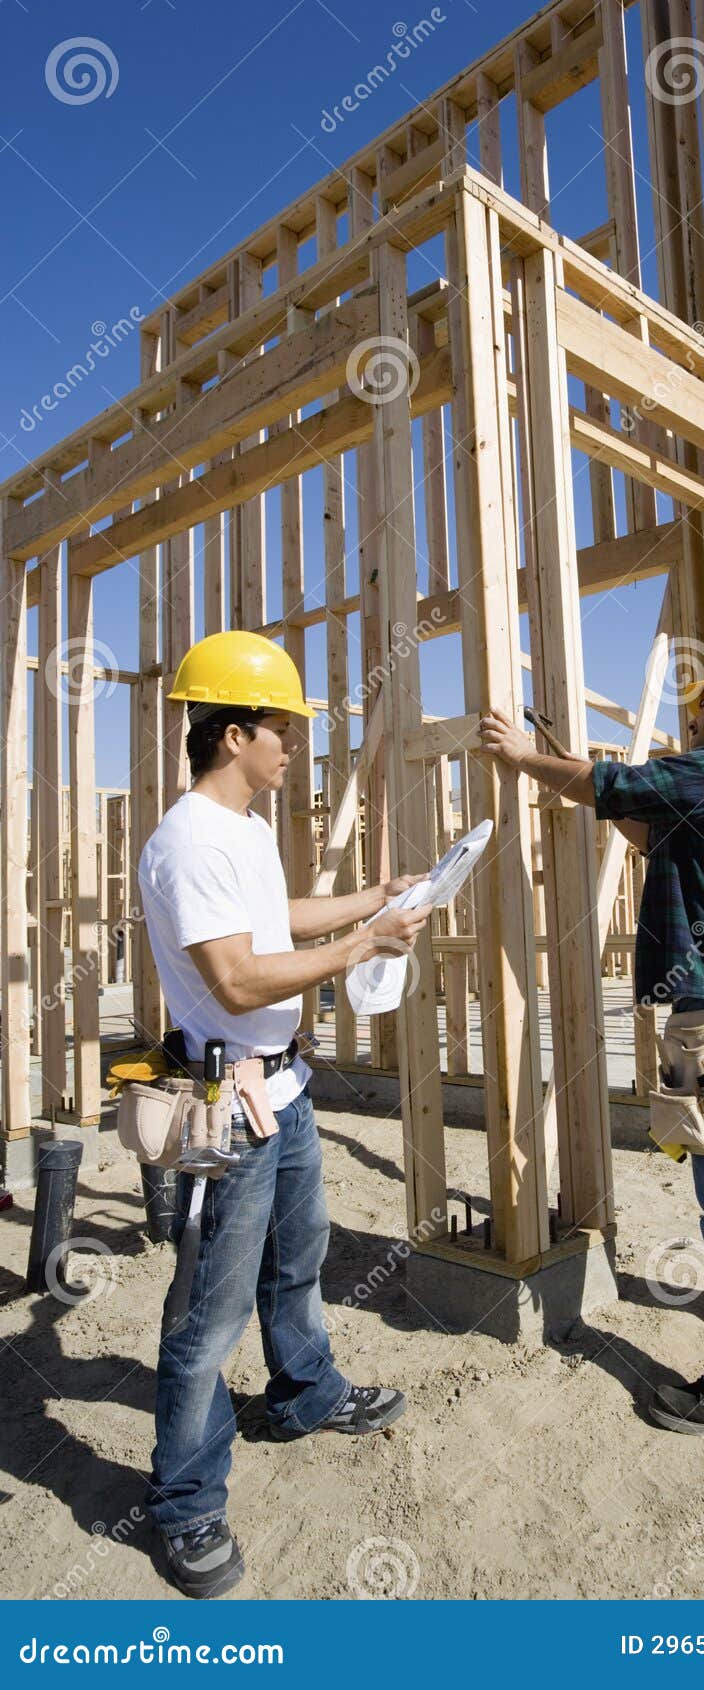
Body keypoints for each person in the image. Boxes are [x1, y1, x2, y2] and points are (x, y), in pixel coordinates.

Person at [138, 631, 430, 1597]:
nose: (292, 744)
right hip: (230, 1102)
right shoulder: (185, 842)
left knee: (296, 1261)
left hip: (285, 1089)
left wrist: (366, 904)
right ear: (231, 735)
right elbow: (232, 978)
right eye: (280, 727)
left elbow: (275, 919)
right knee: (209, 1312)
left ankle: (306, 1393)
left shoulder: (249, 833)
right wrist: (362, 949)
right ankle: (184, 1503)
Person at [478, 656, 704, 1439]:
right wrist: (575, 779)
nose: (691, 716)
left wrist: (523, 758)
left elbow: (621, 788)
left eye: (701, 702)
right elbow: (646, 826)